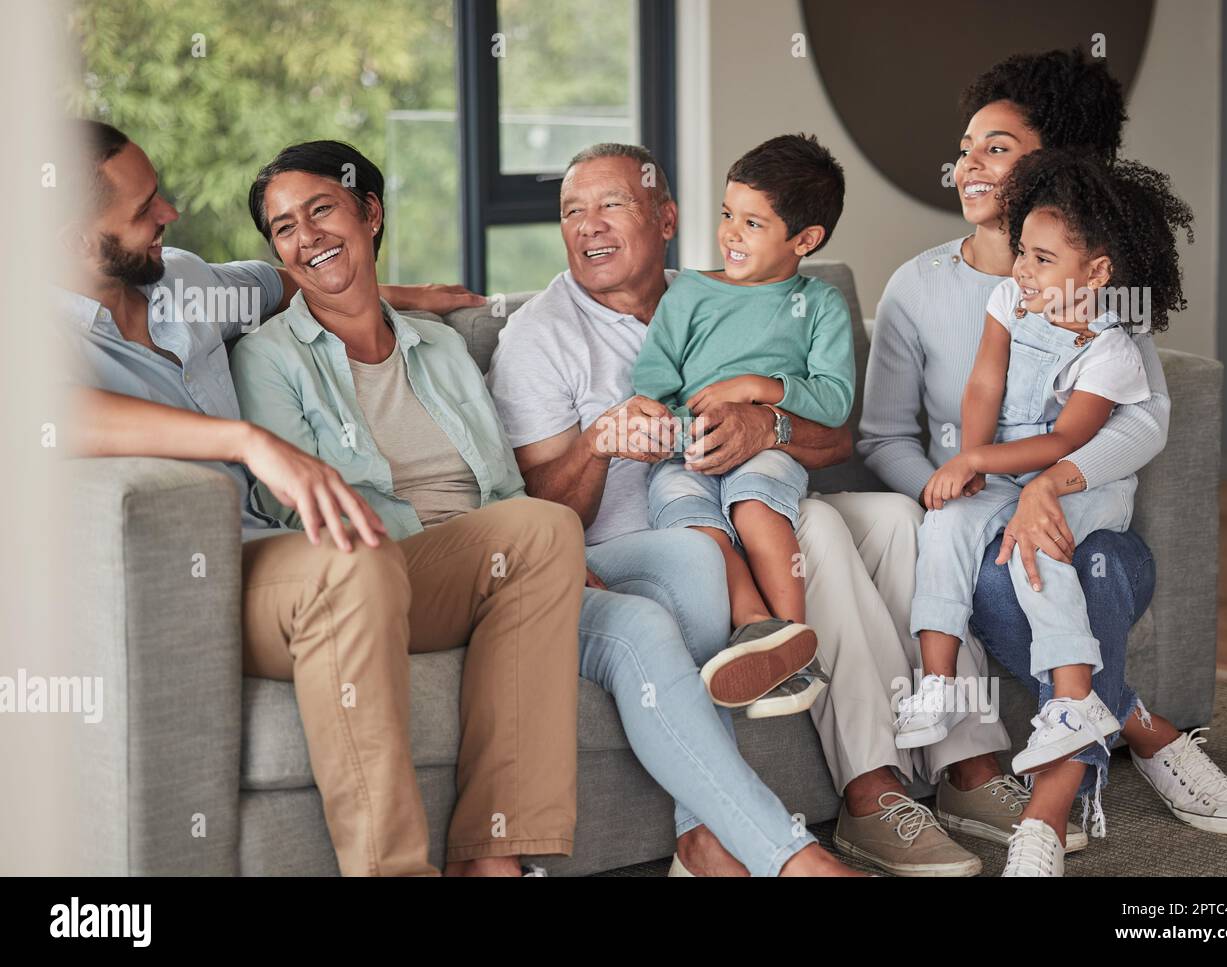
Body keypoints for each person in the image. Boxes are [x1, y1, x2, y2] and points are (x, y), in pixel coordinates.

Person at [232, 139, 859, 878]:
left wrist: (550, 559)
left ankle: (727, 844)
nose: (305, 237)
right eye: (283, 228)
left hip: (504, 568)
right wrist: (530, 540)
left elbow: (504, 490)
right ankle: (791, 859)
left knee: (683, 571)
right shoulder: (271, 358)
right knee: (542, 530)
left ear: (370, 214)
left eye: (321, 211)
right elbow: (303, 506)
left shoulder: (436, 348)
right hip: (391, 567)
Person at [56, 119, 574, 877]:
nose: (167, 213)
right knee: (351, 562)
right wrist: (247, 441)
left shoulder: (183, 279)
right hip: (190, 585)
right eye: (143, 209)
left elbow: (298, 279)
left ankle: (491, 856)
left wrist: (404, 297)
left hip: (281, 555)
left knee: (541, 531)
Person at [489, 142, 1011, 877]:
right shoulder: (540, 335)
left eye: (610, 204)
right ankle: (869, 791)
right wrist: (600, 443)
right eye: (572, 210)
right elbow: (541, 508)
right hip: (641, 543)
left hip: (755, 498)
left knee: (899, 519)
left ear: (666, 217)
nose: (588, 226)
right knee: (822, 530)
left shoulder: (716, 290)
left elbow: (833, 437)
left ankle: (968, 764)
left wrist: (771, 426)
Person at [859, 50, 1227, 876]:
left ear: (1053, 165)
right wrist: (959, 491)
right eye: (967, 144)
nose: (968, 163)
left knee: (1101, 554)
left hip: (1077, 513)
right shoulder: (917, 287)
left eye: (997, 149)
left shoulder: (1101, 301)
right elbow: (883, 439)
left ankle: (1063, 775)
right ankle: (1132, 732)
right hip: (979, 515)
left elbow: (1142, 424)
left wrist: (1049, 482)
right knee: (1038, 567)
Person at [632, 134, 855, 713]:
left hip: (766, 447)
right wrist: (674, 430)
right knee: (693, 528)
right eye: (729, 214)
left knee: (754, 507)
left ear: (805, 240)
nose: (731, 232)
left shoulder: (821, 305)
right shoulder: (687, 297)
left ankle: (793, 646)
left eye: (753, 224)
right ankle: (758, 629)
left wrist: (758, 389)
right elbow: (652, 385)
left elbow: (832, 404)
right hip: (687, 452)